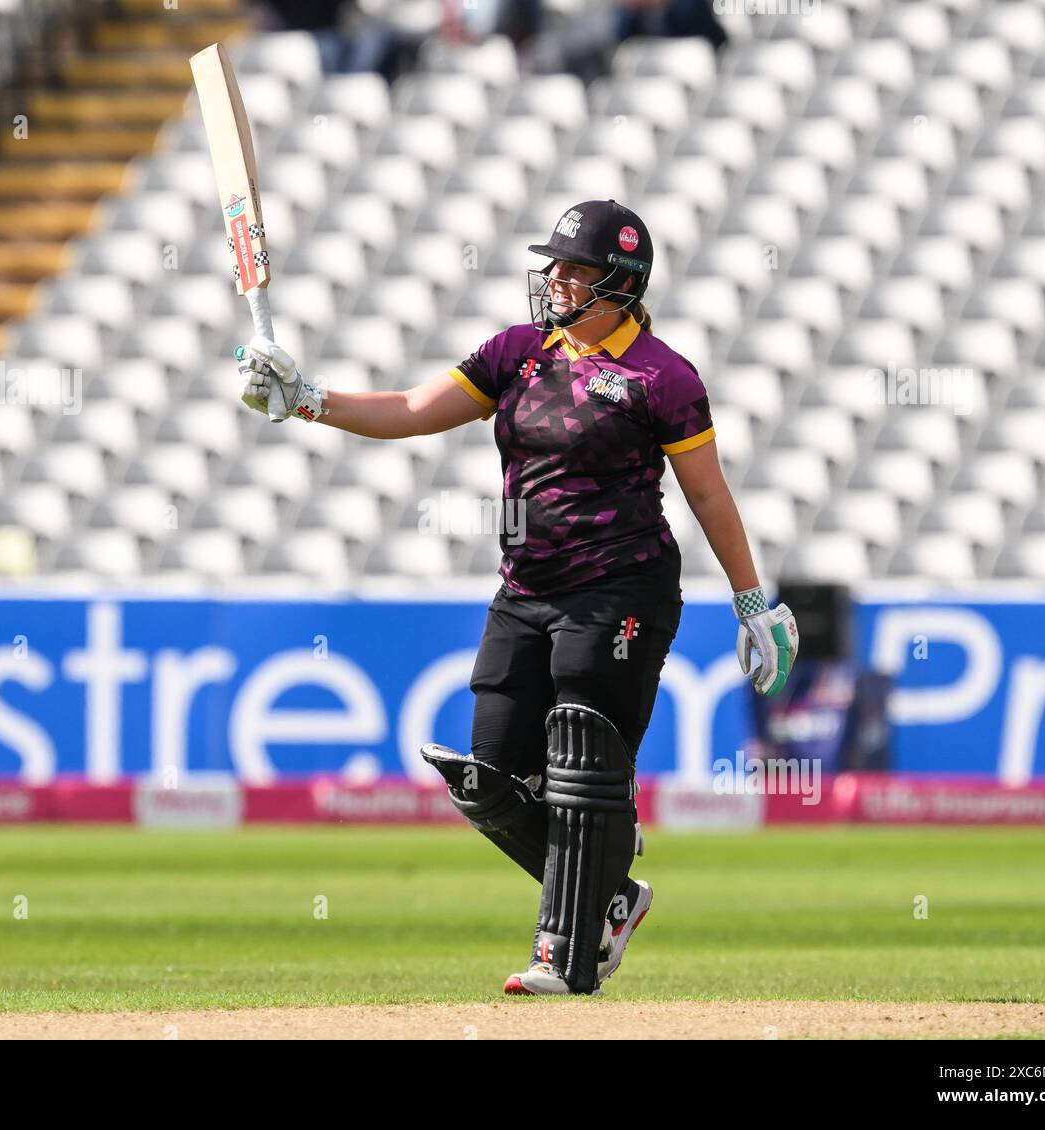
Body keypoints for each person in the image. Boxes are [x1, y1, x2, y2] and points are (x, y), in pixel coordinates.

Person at [236, 199, 799, 995]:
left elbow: (707, 494)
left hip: (619, 590)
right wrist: (307, 399)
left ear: (623, 281)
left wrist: (752, 601)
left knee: (584, 759)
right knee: (490, 775)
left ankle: (564, 958)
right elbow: (409, 411)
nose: (557, 280)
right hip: (524, 589)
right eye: (554, 266)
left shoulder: (662, 378)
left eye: (575, 268)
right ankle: (612, 897)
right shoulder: (517, 353)